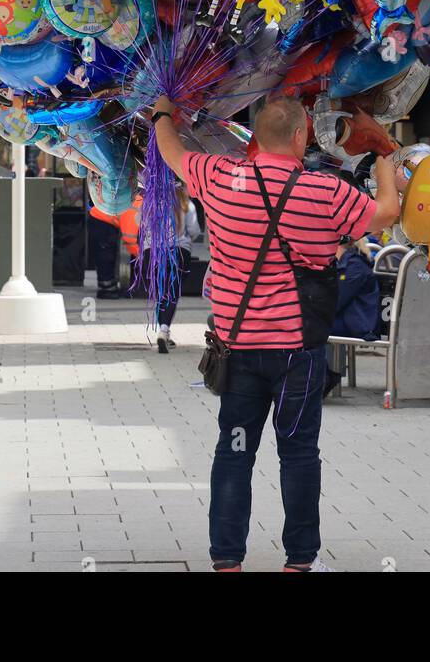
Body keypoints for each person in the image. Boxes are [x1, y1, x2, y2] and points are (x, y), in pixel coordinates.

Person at [152, 92, 401, 574]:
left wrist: (164, 109)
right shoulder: (326, 192)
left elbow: (171, 151)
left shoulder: (220, 176)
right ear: (301, 136)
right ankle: (299, 562)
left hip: (238, 349)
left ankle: (227, 561)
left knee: (235, 450)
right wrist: (386, 156)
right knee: (299, 452)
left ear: (257, 135)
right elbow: (386, 213)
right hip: (297, 353)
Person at [140, 184, 201, 353]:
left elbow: (140, 224)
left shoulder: (149, 203)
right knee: (172, 292)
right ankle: (164, 330)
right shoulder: (187, 205)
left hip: (153, 251)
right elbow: (194, 231)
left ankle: (163, 332)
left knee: (160, 292)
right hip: (179, 251)